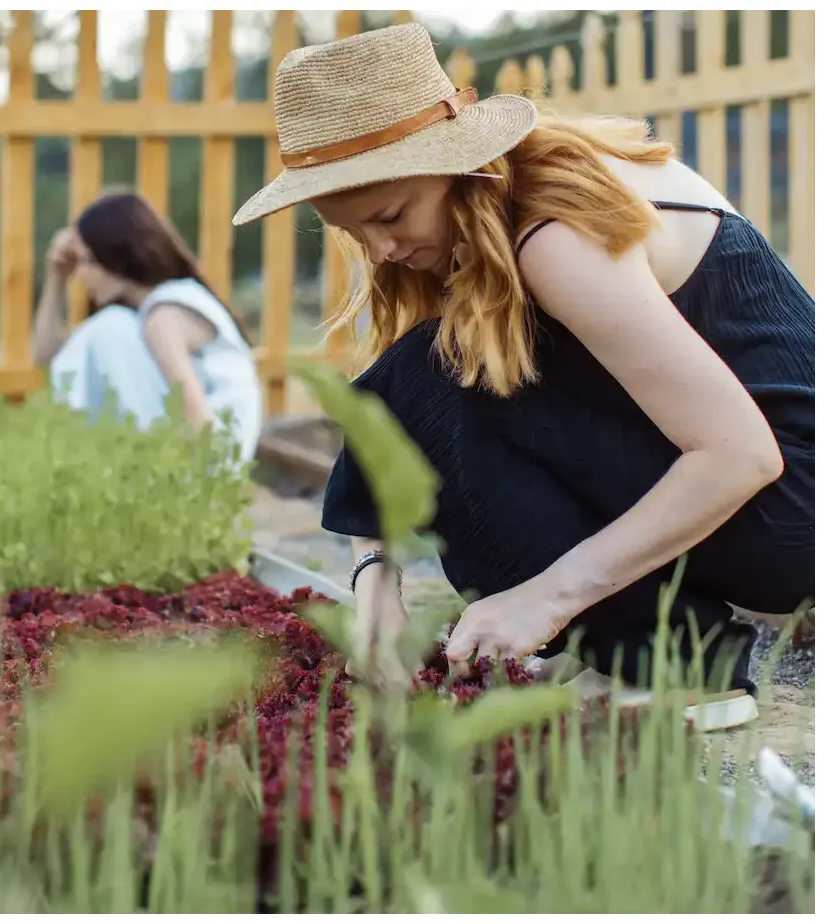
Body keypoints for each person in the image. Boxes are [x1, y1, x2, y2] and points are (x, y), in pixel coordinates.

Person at [232, 24, 814, 726]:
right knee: (425, 370)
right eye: (358, 233)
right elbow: (386, 407)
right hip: (757, 495)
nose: (381, 251)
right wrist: (375, 586)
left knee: (441, 378)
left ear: (455, 163)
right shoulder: (484, 217)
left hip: (790, 504)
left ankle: (676, 665)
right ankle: (620, 646)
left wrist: (548, 596)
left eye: (389, 217)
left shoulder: (553, 235)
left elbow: (742, 454)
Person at [33, 191, 262, 464]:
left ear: (119, 257)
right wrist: (56, 278)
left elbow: (197, 420)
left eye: (88, 261)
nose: (80, 274)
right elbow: (46, 357)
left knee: (108, 328)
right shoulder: (151, 312)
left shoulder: (163, 316)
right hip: (200, 460)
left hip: (204, 467)